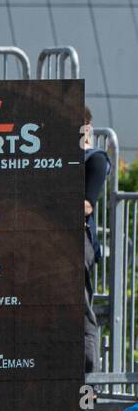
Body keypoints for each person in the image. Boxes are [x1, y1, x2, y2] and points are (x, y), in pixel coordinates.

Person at [84, 107, 110, 374]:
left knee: (81, 313)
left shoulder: (95, 158)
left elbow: (86, 206)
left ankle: (88, 383)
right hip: (46, 244)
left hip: (78, 243)